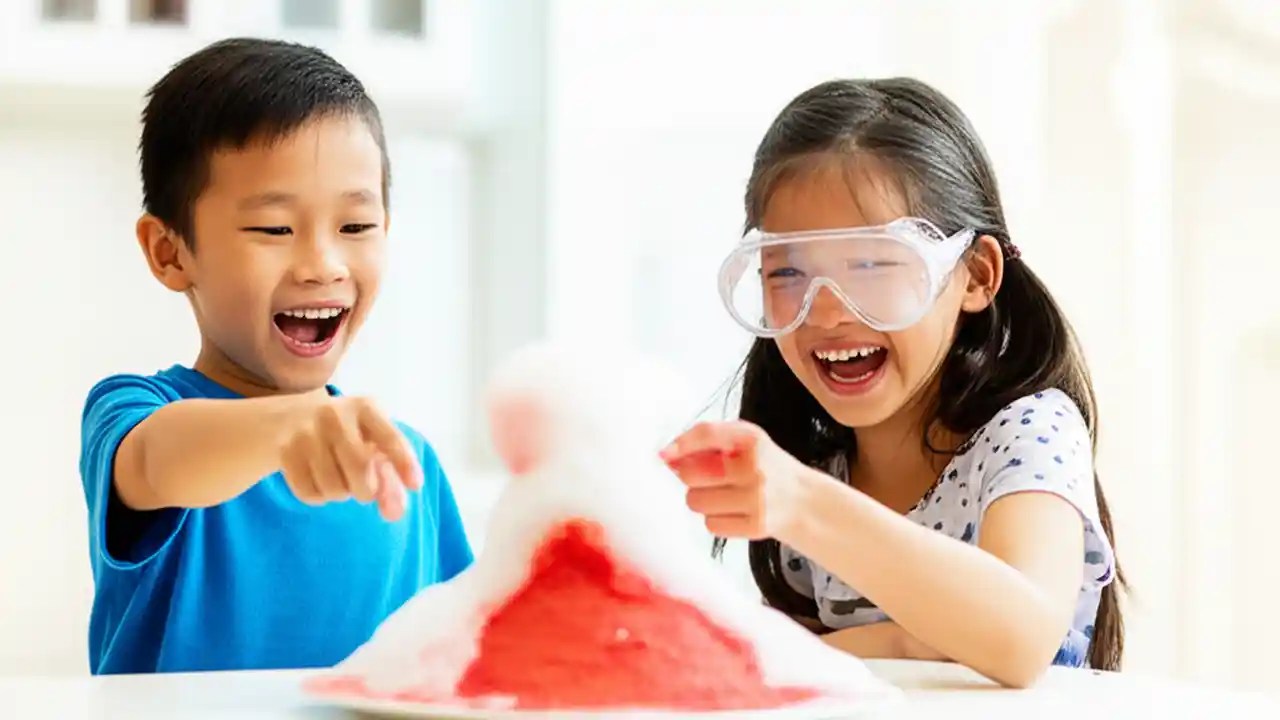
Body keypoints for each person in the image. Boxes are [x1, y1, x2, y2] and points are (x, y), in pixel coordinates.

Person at [661, 77, 1123, 688]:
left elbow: (1021, 635)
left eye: (876, 265)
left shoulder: (1029, 431)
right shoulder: (818, 470)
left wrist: (801, 505)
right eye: (789, 272)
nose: (826, 311)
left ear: (977, 276)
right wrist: (909, 639)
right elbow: (780, 668)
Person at [78, 38, 472, 675]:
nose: (323, 265)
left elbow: (467, 654)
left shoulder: (409, 465)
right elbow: (158, 461)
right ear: (170, 253)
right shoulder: (136, 412)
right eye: (274, 229)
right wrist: (295, 426)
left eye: (355, 227)